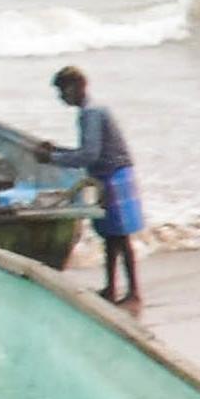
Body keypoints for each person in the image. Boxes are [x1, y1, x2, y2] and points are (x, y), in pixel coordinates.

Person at [52, 66, 142, 310]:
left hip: (113, 176)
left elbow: (89, 155)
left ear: (75, 87)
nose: (61, 97)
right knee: (110, 236)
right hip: (109, 174)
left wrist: (53, 158)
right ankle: (111, 288)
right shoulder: (92, 111)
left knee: (120, 237)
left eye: (62, 91)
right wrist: (56, 152)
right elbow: (87, 153)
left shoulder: (90, 114)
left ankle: (134, 292)